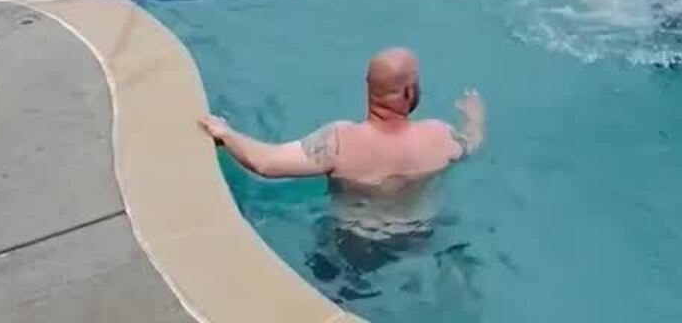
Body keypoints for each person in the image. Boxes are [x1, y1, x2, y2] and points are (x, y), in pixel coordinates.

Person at [199, 48, 483, 244]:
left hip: (356, 240)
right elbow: (470, 144)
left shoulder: (339, 141)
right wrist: (474, 118)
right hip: (421, 234)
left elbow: (265, 164)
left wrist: (226, 133)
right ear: (410, 91)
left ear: (367, 86)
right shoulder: (440, 135)